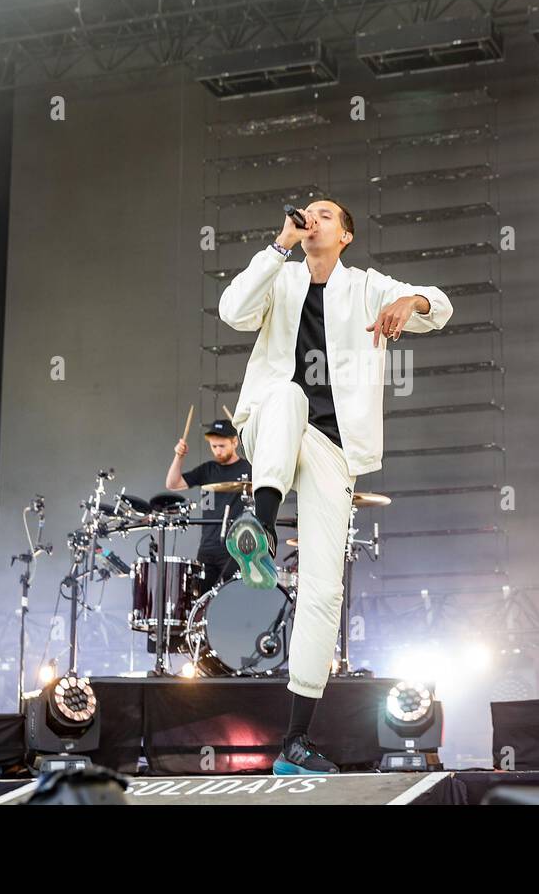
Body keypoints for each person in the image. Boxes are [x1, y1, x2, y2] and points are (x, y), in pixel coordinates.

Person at [218, 198, 453, 774]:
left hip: (330, 446)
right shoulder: (282, 275)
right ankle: (262, 524)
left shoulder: (366, 286)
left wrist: (409, 300)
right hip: (273, 422)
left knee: (324, 591)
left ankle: (294, 742)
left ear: (345, 235)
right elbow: (231, 311)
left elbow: (441, 307)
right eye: (309, 213)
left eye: (326, 215)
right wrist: (278, 245)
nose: (313, 219)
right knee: (292, 394)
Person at [164, 418, 250, 589]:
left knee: (236, 597)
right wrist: (179, 456)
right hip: (207, 548)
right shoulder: (207, 470)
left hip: (236, 548)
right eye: (214, 446)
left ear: (234, 442)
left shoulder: (249, 469)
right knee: (200, 601)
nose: (217, 451)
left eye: (222, 446)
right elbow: (172, 484)